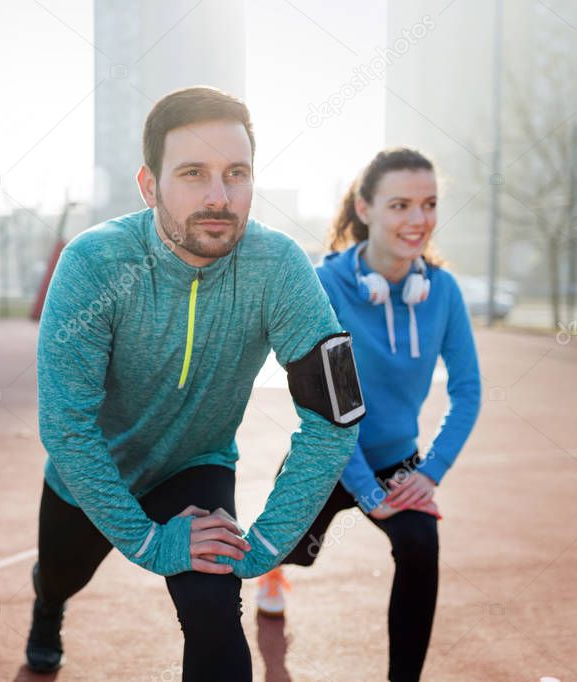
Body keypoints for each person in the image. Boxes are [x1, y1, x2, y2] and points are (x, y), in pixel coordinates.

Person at [26, 86, 363, 681]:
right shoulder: (93, 264)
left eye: (237, 174)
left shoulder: (280, 265)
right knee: (59, 577)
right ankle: (47, 609)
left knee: (214, 604)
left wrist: (265, 547)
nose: (218, 197)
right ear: (149, 185)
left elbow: (336, 416)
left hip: (196, 462)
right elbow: (66, 427)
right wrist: (148, 543)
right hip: (95, 468)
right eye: (193, 173)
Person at [255, 148, 481, 682]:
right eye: (400, 205)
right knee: (281, 548)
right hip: (327, 454)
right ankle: (272, 574)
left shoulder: (442, 291)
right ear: (365, 208)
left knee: (420, 544)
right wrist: (366, 491)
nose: (418, 219)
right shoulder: (325, 284)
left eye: (429, 204)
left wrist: (429, 473)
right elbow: (325, 400)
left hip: (397, 460)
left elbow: (468, 391)